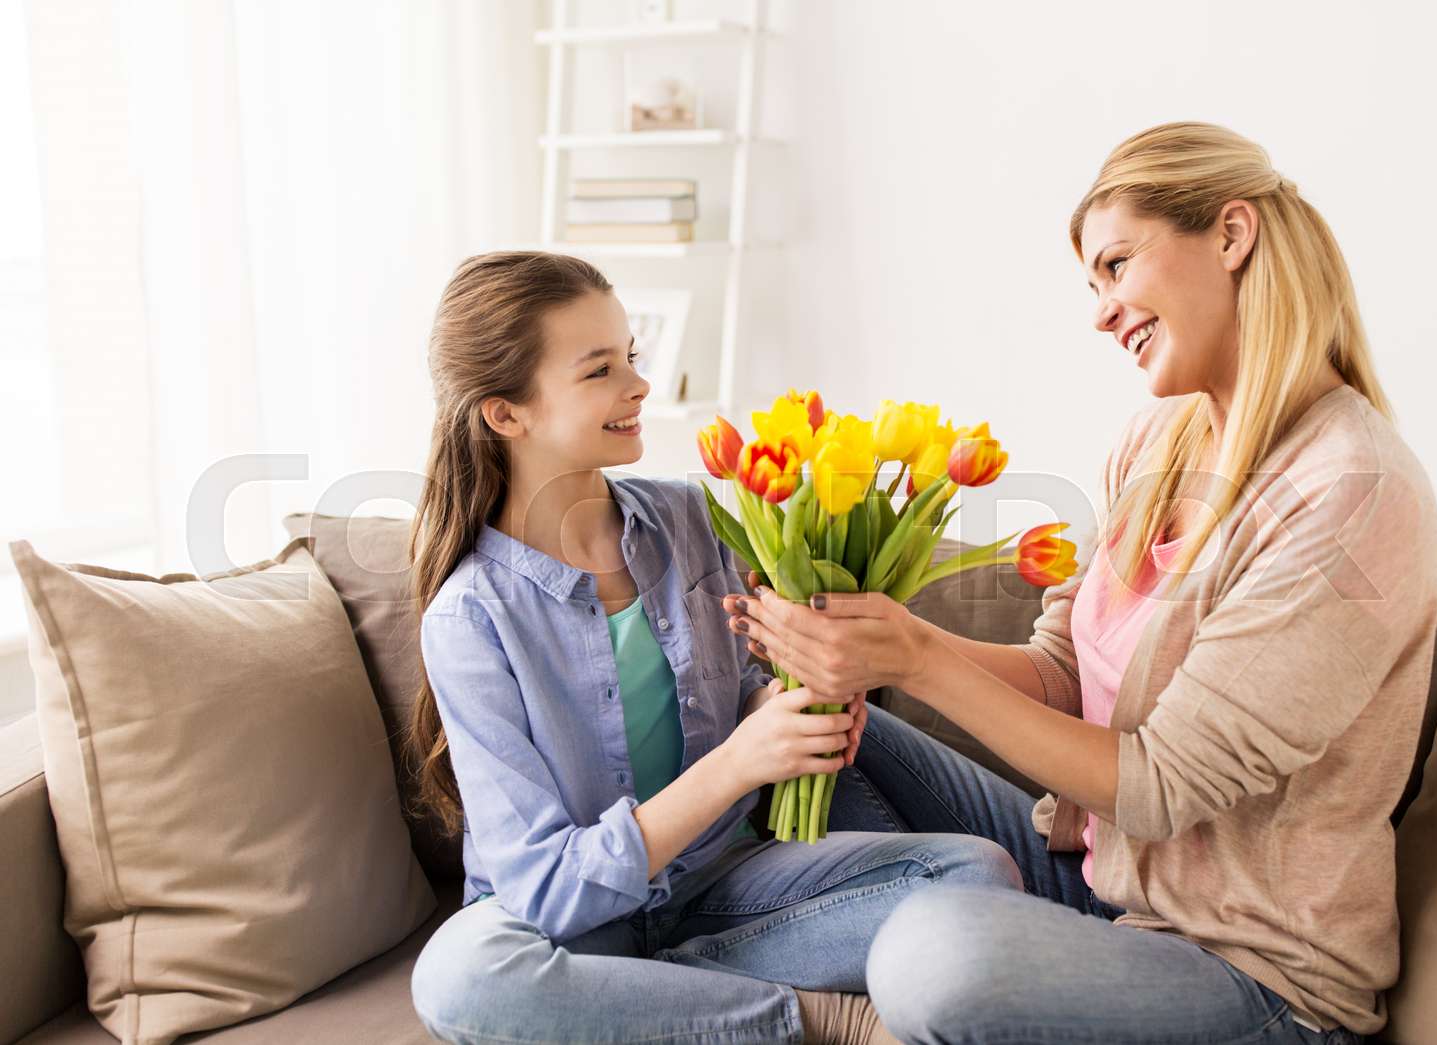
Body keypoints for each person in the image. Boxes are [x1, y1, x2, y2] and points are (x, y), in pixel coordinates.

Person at [723, 122, 1437, 1044]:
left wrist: (915, 653)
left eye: (1116, 266)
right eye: (1092, 284)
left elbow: (1158, 787)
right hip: (1097, 884)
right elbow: (1061, 670)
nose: (1101, 312)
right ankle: (675, 962)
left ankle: (808, 1004)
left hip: (1248, 969)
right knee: (814, 727)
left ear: (1231, 235)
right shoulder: (1162, 437)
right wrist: (874, 646)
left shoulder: (1353, 487)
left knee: (936, 950)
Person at [403, 251, 1023, 1045]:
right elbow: (545, 890)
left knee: (974, 877)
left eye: (631, 356)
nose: (638, 386)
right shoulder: (471, 617)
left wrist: (782, 702)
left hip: (724, 886)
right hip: (571, 934)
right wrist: (741, 758)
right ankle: (816, 1016)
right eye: (599, 371)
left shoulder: (690, 518)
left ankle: (650, 1006)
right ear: (505, 414)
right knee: (463, 980)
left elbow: (747, 688)